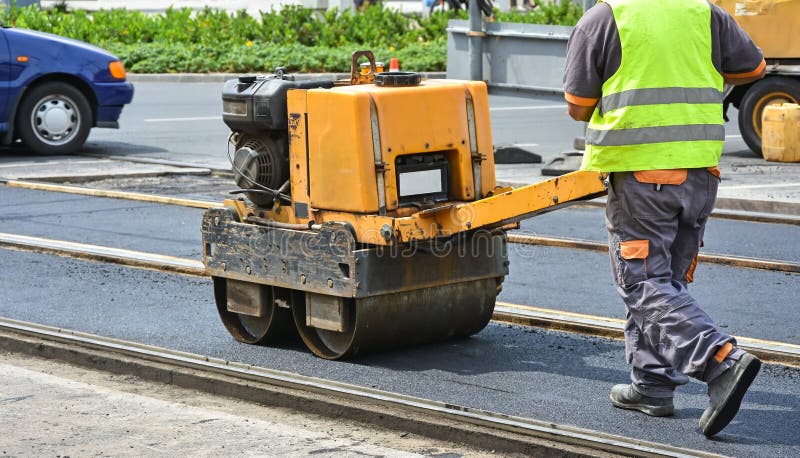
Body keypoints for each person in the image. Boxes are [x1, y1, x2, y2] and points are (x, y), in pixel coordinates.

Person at [563, 0, 766, 437]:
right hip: (700, 174)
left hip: (642, 177)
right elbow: (754, 68)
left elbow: (578, 104)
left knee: (642, 283)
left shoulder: (605, 18)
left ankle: (719, 361)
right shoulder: (705, 13)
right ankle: (652, 387)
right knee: (664, 282)